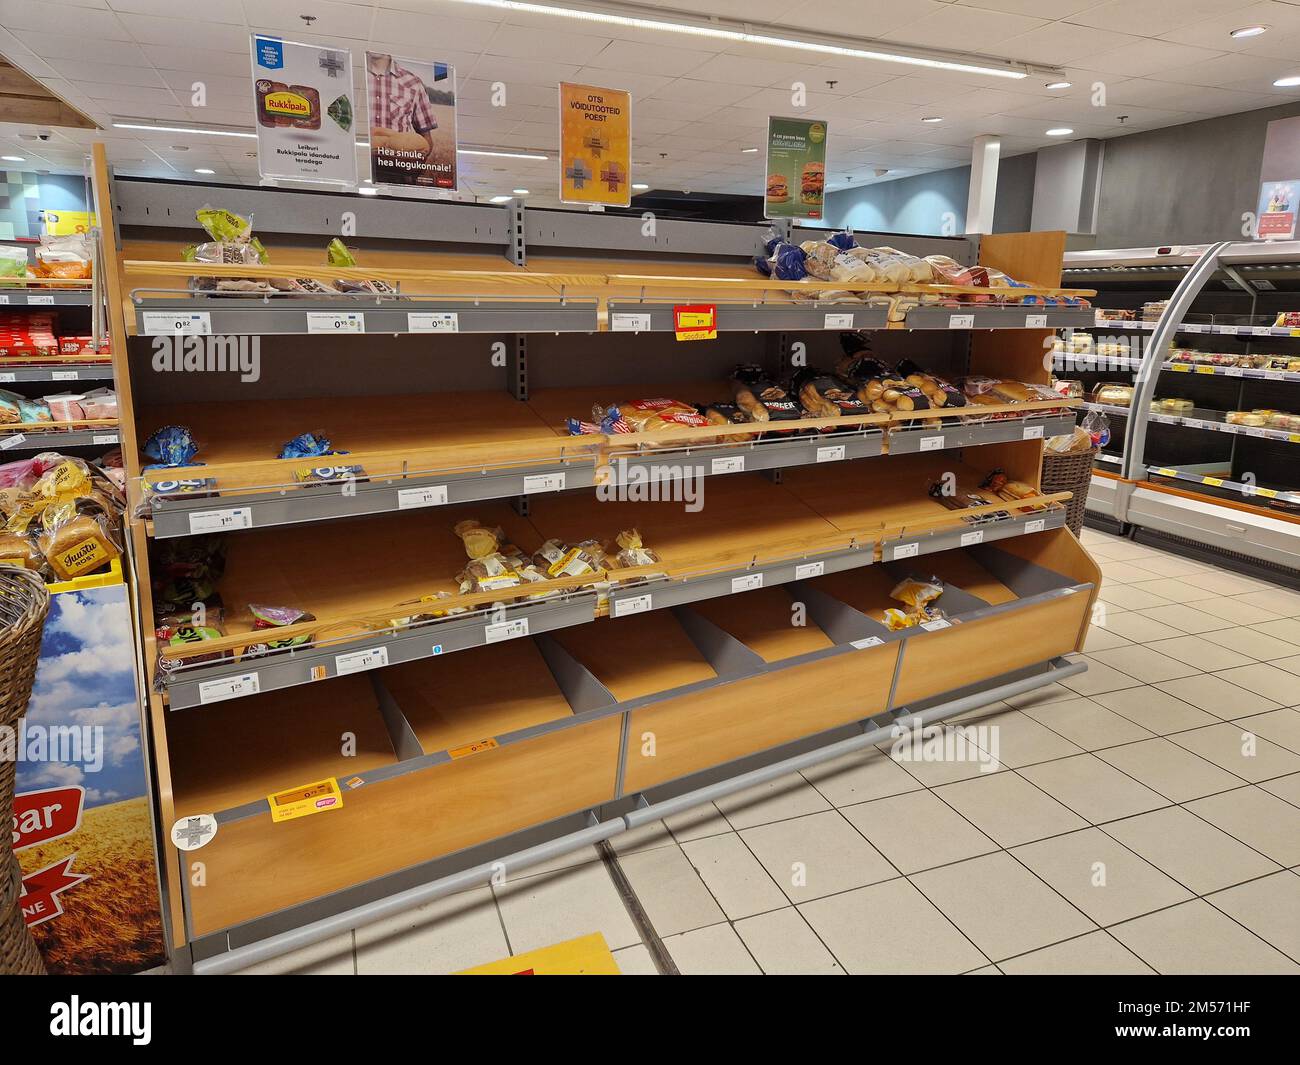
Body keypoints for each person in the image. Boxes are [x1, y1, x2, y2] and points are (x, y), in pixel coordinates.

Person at [366, 53, 438, 181]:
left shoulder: (413, 83)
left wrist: (412, 172)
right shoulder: (353, 78)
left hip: (398, 175)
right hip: (361, 168)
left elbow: (426, 140)